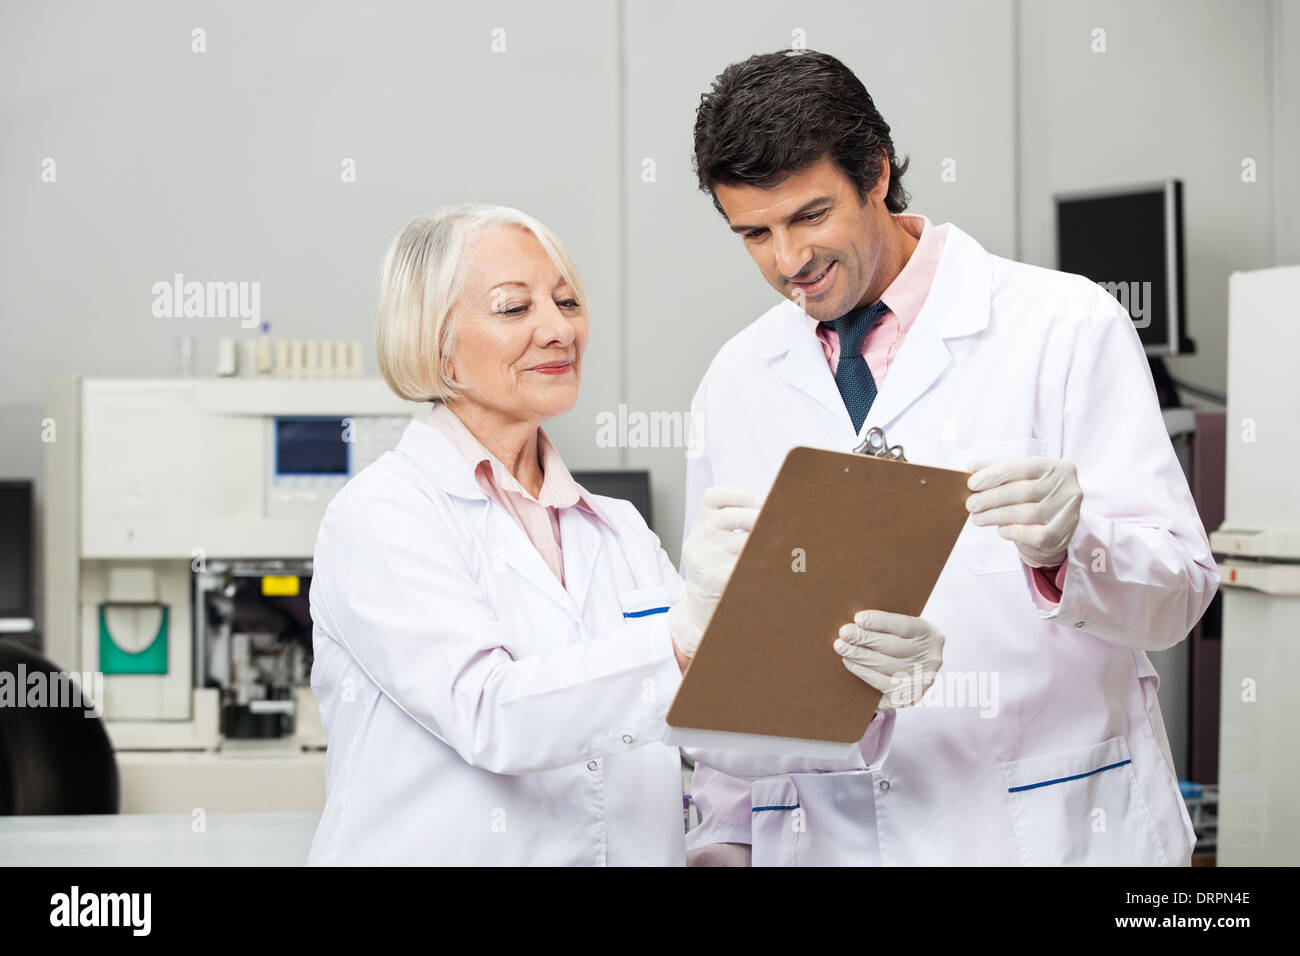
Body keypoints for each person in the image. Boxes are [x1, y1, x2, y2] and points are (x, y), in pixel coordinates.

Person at [682, 51, 1219, 866]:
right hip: (827, 837)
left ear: (876, 173)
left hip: (1050, 828)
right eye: (753, 233)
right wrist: (719, 835)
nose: (787, 261)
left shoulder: (1063, 325)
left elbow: (1179, 597)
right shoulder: (736, 379)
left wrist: (1064, 551)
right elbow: (733, 643)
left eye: (810, 216)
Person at [307, 204, 761, 864]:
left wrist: (852, 690)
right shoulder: (381, 514)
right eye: (514, 308)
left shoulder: (618, 531)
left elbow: (714, 719)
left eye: (567, 301)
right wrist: (682, 640)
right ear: (437, 341)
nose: (558, 330)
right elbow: (491, 714)